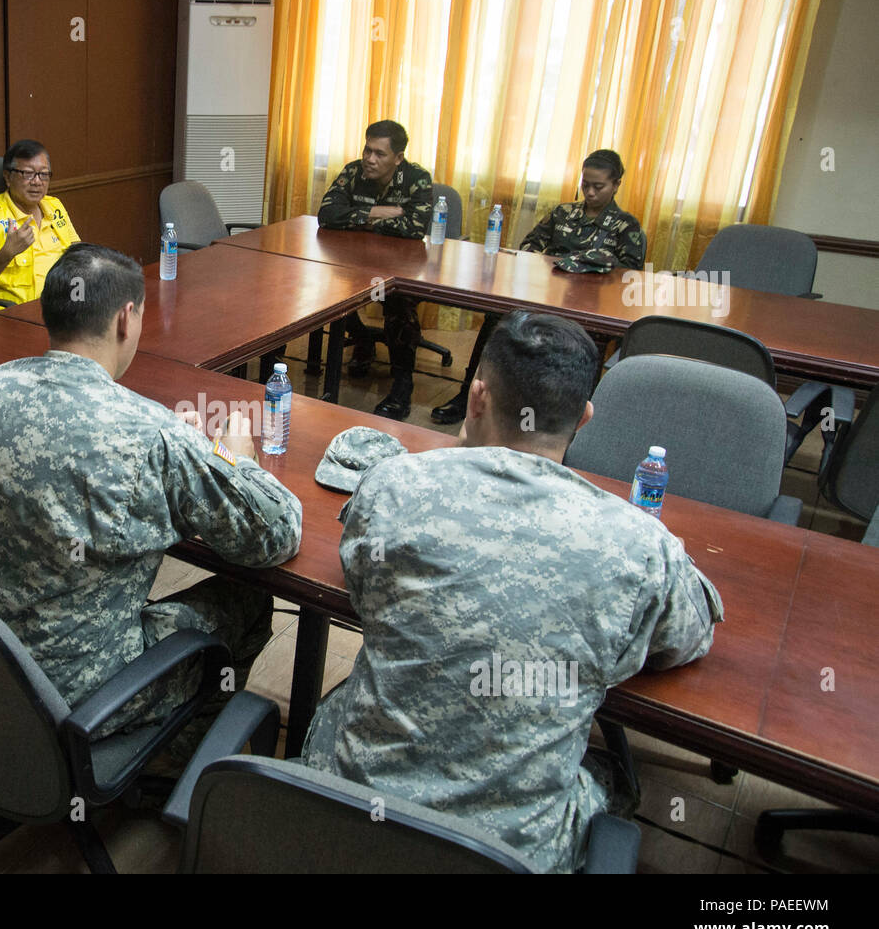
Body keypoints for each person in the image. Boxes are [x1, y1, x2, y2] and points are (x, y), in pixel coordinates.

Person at [303, 311, 722, 873]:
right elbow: (687, 638)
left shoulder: (394, 486)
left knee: (339, 702)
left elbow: (361, 577)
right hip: (509, 857)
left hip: (349, 825)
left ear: (477, 397)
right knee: (614, 775)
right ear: (585, 417)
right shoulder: (638, 545)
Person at [0, 242, 303, 763]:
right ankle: (170, 761)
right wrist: (231, 456)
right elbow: (276, 532)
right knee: (246, 601)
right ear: (126, 318)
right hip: (79, 693)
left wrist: (180, 458)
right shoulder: (149, 433)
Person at [431, 148, 645, 427]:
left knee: (592, 341)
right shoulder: (563, 213)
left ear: (616, 185)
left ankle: (574, 418)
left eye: (598, 187)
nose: (590, 193)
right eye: (585, 185)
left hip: (589, 308)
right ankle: (469, 394)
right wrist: (548, 266)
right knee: (497, 317)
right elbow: (529, 246)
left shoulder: (625, 226)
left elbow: (628, 275)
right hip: (546, 296)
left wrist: (574, 263)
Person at [318, 119, 433, 420]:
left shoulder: (417, 178)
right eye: (368, 150)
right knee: (325, 286)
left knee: (397, 300)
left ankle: (402, 382)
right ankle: (363, 339)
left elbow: (415, 227)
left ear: (398, 157)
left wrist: (355, 217)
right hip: (353, 262)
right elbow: (327, 214)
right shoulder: (353, 171)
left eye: (380, 154)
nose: (370, 159)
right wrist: (377, 212)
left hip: (399, 265)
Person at [0, 139, 81, 312]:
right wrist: (7, 253)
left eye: (43, 174)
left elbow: (79, 255)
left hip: (60, 310)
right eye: (27, 174)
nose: (37, 182)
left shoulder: (55, 206)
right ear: (7, 177)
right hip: (14, 315)